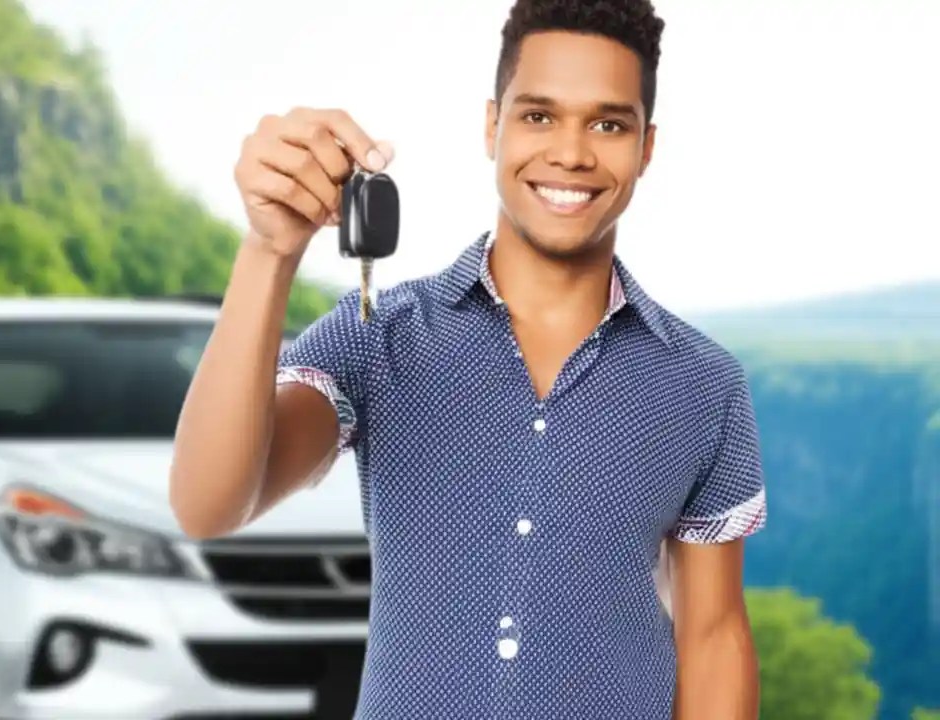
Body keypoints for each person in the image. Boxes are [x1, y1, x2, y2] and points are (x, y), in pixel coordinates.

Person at [169, 0, 768, 717]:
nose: (571, 153)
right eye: (539, 116)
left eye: (608, 124)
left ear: (646, 147)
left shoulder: (703, 386)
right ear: (493, 126)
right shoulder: (377, 335)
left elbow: (713, 638)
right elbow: (208, 504)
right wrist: (270, 250)